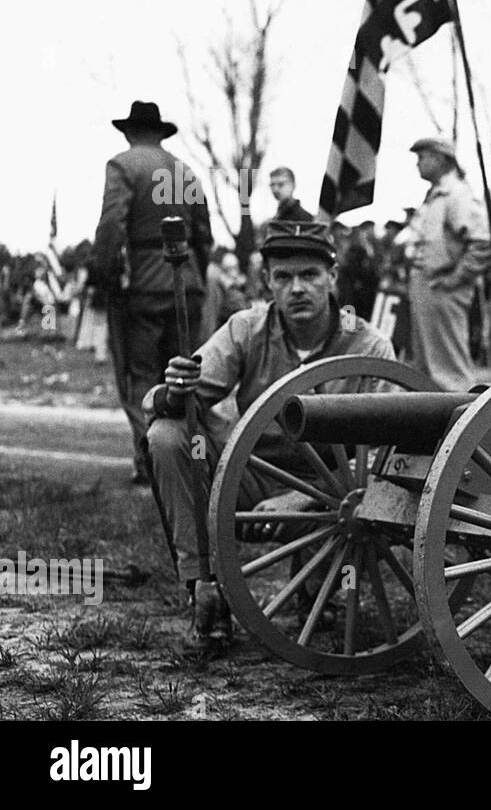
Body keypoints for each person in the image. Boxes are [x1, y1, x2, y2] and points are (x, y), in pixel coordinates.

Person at [144, 219, 394, 650]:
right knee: (167, 437)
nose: (297, 288)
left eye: (310, 275)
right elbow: (176, 403)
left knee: (359, 497)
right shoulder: (246, 328)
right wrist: (173, 389)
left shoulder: (369, 346)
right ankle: (203, 589)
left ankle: (320, 587)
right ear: (267, 282)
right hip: (250, 479)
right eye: (284, 277)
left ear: (332, 278)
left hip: (333, 494)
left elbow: (391, 450)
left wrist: (304, 497)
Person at [89, 101, 212, 485]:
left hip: (142, 285)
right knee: (184, 377)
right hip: (186, 284)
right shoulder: (185, 170)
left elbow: (111, 225)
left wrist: (104, 276)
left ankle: (151, 462)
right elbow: (205, 235)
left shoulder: (123, 165)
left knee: (140, 374)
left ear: (129, 133)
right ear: (161, 133)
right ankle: (193, 459)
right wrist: (197, 277)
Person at [406, 136, 491, 389]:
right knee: (426, 363)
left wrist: (455, 280)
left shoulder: (456, 194)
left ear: (440, 159)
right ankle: (432, 418)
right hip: (427, 284)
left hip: (443, 286)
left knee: (449, 367)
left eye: (422, 157)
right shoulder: (436, 194)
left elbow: (482, 243)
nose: (418, 164)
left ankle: (463, 417)